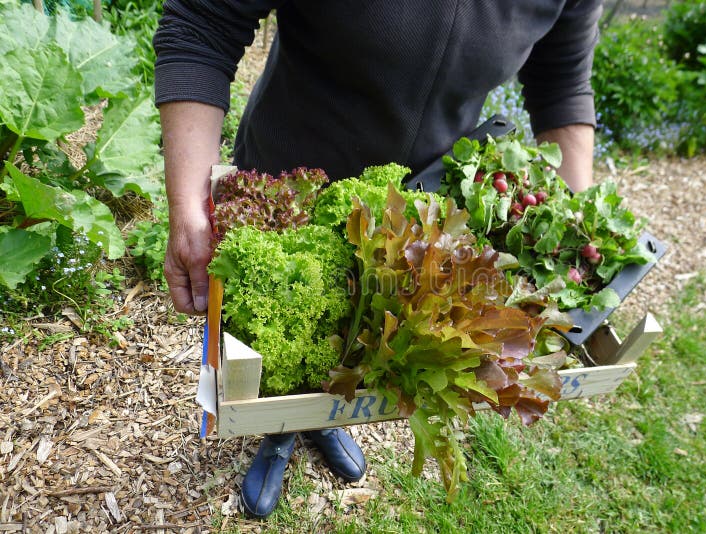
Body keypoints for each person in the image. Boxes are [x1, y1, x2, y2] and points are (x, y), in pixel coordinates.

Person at [153, 0, 602, 519]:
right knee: (276, 348)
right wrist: (188, 208)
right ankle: (278, 430)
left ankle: (320, 417)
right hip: (292, 196)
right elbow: (203, 20)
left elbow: (563, 84)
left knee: (355, 341)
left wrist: (570, 239)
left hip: (412, 220)